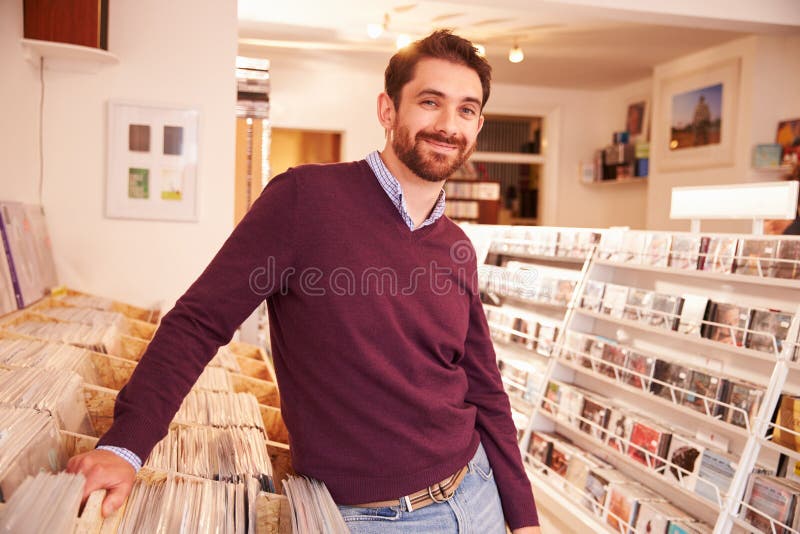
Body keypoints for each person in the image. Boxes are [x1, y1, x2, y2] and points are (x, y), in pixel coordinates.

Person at [66, 30, 540, 533]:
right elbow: (199, 322)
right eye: (430, 102)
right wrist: (127, 444)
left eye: (466, 110)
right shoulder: (304, 199)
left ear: (479, 125)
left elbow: (485, 388)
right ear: (387, 110)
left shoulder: (456, 246)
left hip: (476, 493)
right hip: (370, 519)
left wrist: (522, 516)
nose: (448, 125)